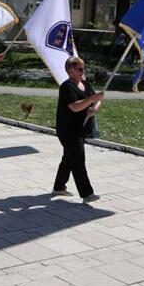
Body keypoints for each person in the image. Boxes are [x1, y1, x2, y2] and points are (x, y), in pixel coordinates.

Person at [52, 57, 106, 202]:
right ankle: (87, 193)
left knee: (69, 157)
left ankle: (59, 186)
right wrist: (92, 99)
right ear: (70, 70)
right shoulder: (66, 87)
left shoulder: (84, 84)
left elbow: (97, 100)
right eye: (80, 69)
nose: (83, 71)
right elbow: (75, 106)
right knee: (78, 159)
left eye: (84, 68)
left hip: (80, 128)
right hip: (67, 129)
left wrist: (94, 107)